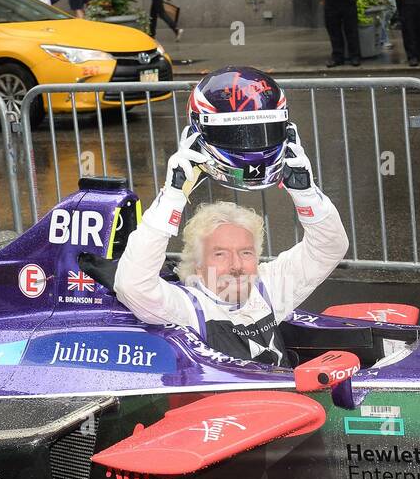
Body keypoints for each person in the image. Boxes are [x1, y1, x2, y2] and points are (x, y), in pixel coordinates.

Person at [114, 67, 349, 368]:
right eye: (220, 254)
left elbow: (330, 248)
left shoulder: (268, 289)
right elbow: (132, 286)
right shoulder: (186, 308)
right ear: (196, 264)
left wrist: (306, 194)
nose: (237, 266)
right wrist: (172, 196)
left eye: (246, 253)